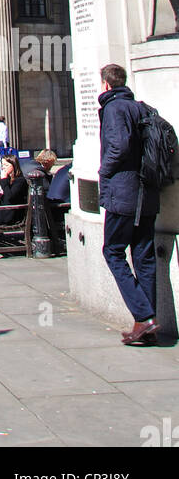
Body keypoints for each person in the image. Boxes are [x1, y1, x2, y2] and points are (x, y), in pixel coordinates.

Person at [98, 63, 159, 345]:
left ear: (106, 85)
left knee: (113, 252)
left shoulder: (114, 108)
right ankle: (147, 325)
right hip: (147, 192)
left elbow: (119, 146)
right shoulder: (140, 107)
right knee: (144, 257)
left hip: (123, 192)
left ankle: (143, 315)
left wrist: (104, 171)